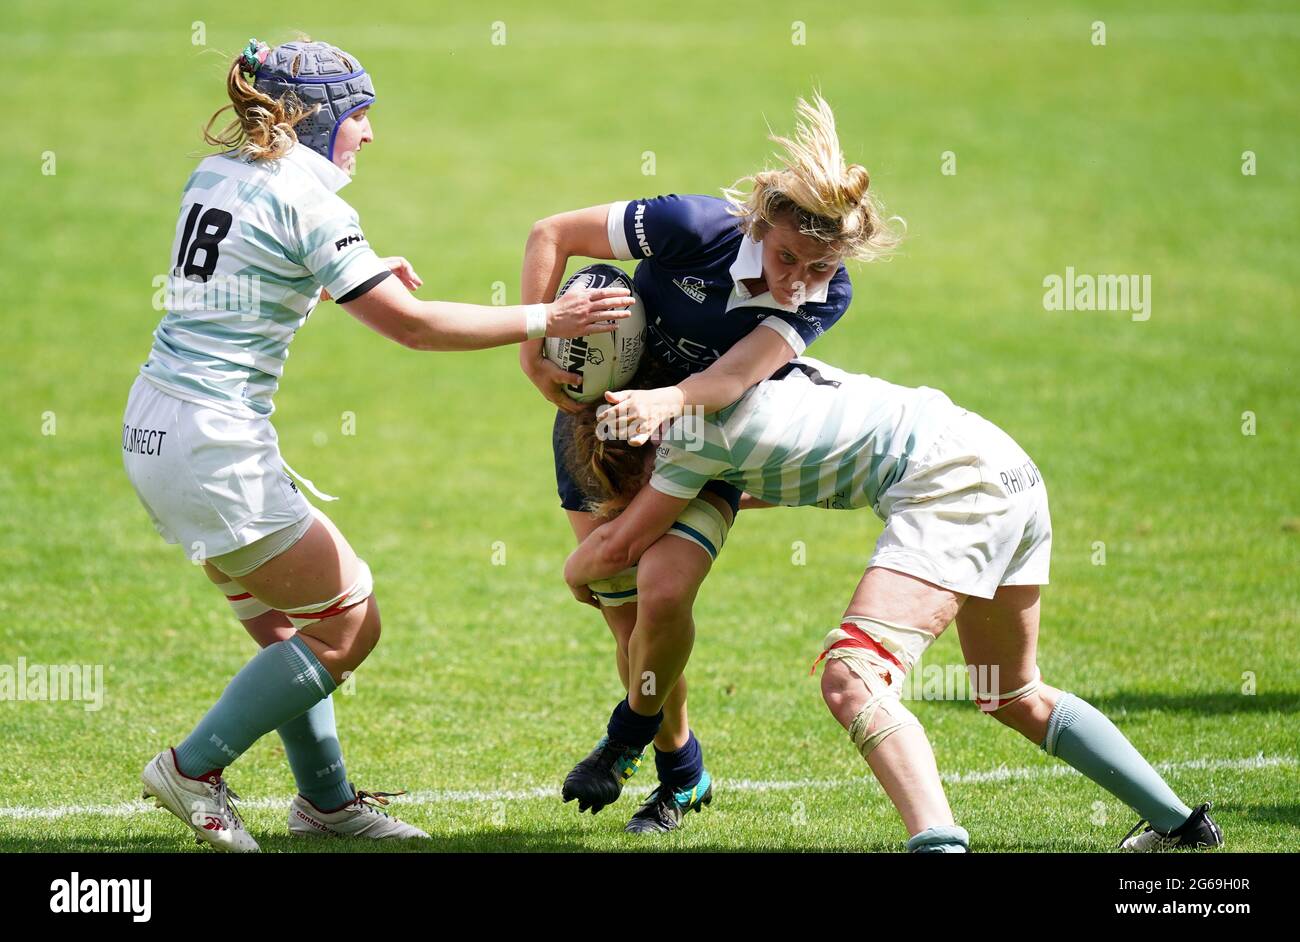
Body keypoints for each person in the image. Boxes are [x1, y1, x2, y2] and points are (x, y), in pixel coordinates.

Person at [124, 38, 630, 851]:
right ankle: (193, 769)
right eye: (360, 115)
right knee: (349, 627)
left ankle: (323, 805)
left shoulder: (215, 173)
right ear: (318, 118)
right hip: (212, 443)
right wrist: (548, 320)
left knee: (290, 634)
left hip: (154, 428)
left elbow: (236, 278)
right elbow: (415, 327)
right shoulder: (314, 202)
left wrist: (329, 276)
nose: (368, 134)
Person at [561, 356, 1223, 852]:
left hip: (952, 485)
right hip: (1005, 465)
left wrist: (574, 571)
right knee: (1013, 692)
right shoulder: (742, 372)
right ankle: (1184, 831)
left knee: (853, 676)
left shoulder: (689, 439)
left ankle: (939, 846)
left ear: (648, 460)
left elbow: (617, 546)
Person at [519, 94, 898, 831]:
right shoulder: (692, 227)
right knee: (627, 625)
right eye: (787, 257)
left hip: (707, 443)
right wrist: (535, 351)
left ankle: (625, 743)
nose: (797, 281)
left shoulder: (830, 292)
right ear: (761, 222)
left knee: (663, 594)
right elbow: (551, 233)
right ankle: (682, 771)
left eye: (819, 266)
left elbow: (732, 379)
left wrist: (662, 405)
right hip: (593, 432)